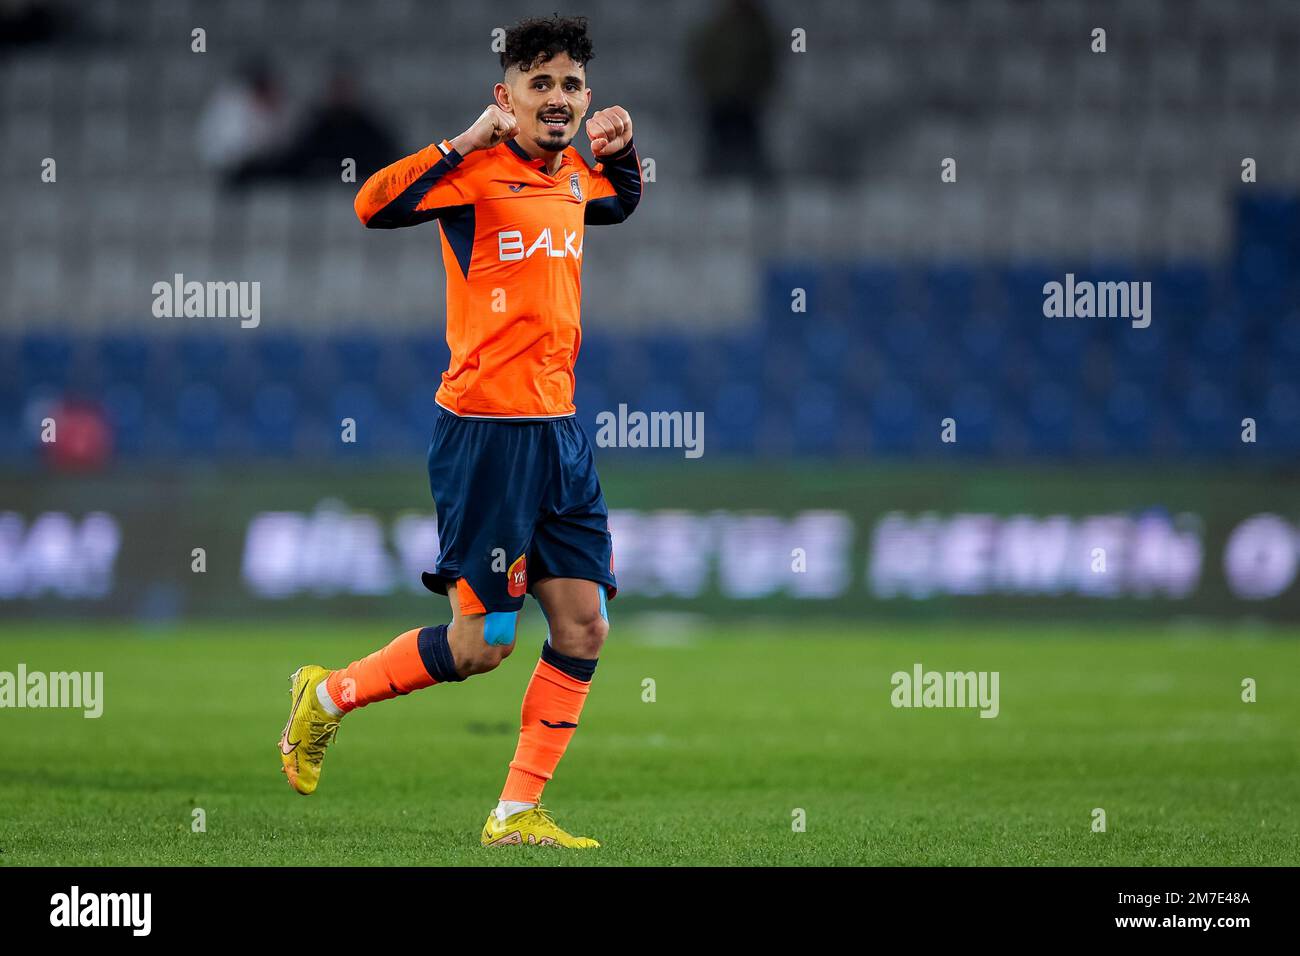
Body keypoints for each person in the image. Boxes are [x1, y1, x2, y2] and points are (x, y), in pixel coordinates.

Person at [278, 14, 641, 850]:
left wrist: (620, 153)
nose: (557, 99)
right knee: (486, 645)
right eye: (539, 84)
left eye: (570, 86)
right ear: (504, 97)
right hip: (485, 434)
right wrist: (461, 140)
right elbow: (371, 205)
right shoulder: (474, 172)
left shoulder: (575, 178)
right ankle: (326, 696)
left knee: (583, 625)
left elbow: (614, 202)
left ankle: (515, 815)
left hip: (560, 434)